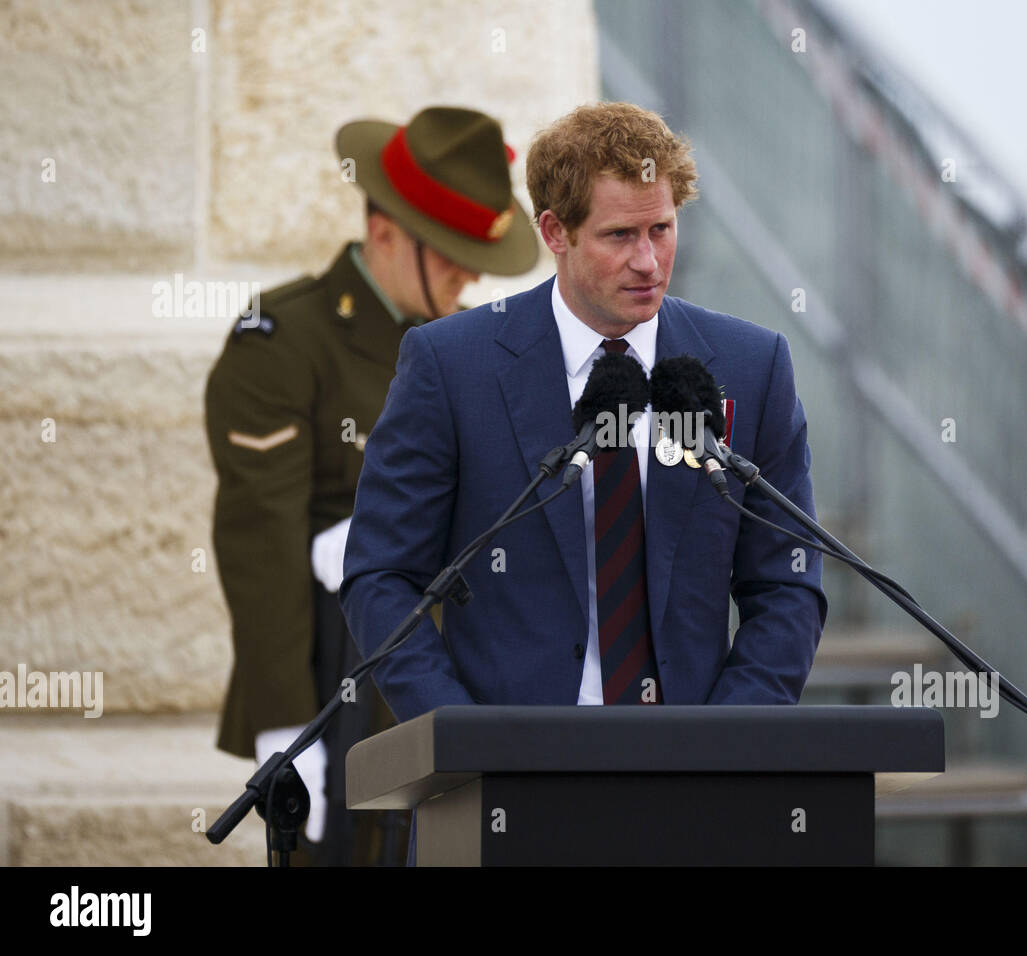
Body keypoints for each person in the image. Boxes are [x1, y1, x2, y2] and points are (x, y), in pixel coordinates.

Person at [341, 100, 826, 733]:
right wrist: (460, 739)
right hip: (504, 784)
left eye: (662, 228)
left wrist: (726, 741)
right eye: (620, 236)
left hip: (695, 778)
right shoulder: (451, 366)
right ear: (553, 233)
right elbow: (381, 576)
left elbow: (788, 582)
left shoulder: (753, 365)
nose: (649, 261)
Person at [203, 106, 538, 865]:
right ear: (385, 231)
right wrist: (286, 728)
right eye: (449, 253)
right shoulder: (285, 341)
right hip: (339, 686)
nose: (470, 273)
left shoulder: (474, 346)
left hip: (456, 686)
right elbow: (262, 548)